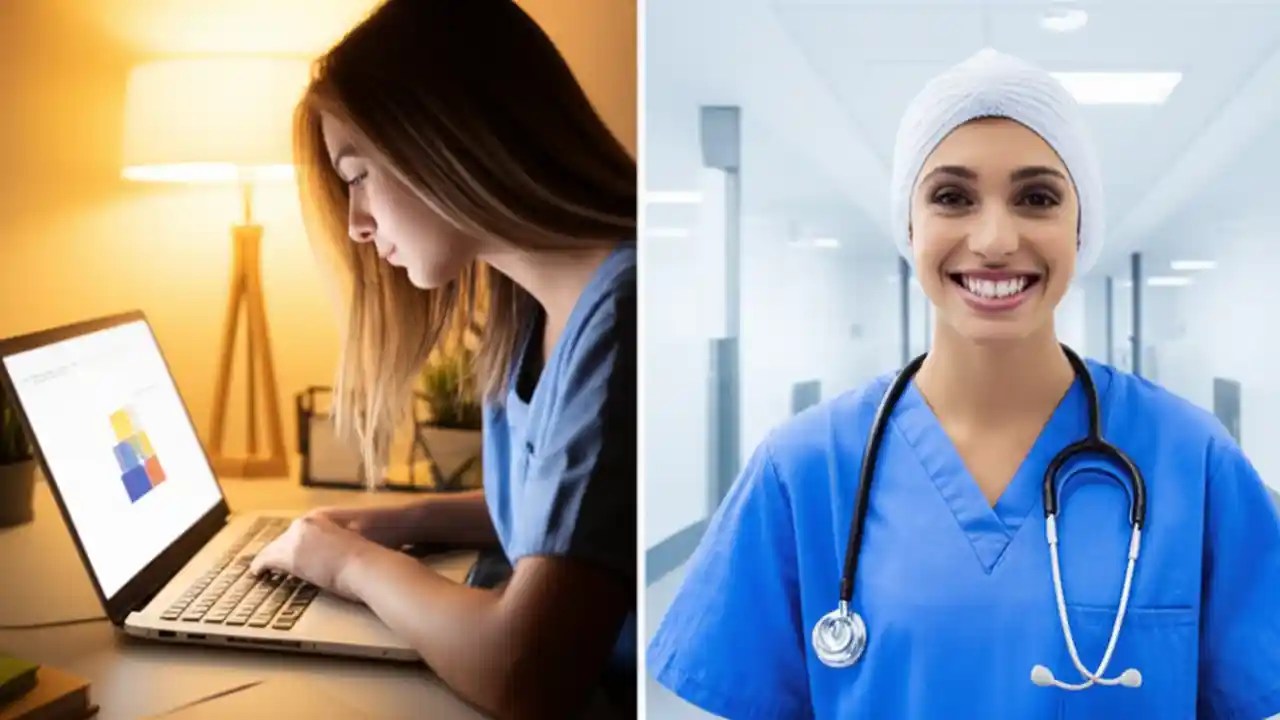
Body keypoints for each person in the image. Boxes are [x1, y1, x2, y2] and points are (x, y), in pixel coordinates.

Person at [646, 48, 1280, 719]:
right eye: (952, 197)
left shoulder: (1190, 457)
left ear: (1081, 226)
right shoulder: (803, 469)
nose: (995, 239)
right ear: (909, 224)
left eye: (1037, 198)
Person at [246, 2, 637, 719]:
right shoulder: (534, 307)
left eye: (359, 175)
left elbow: (525, 675)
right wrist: (405, 521)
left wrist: (348, 563)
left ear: (446, 141)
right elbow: (568, 517)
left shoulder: (622, 319)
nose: (357, 224)